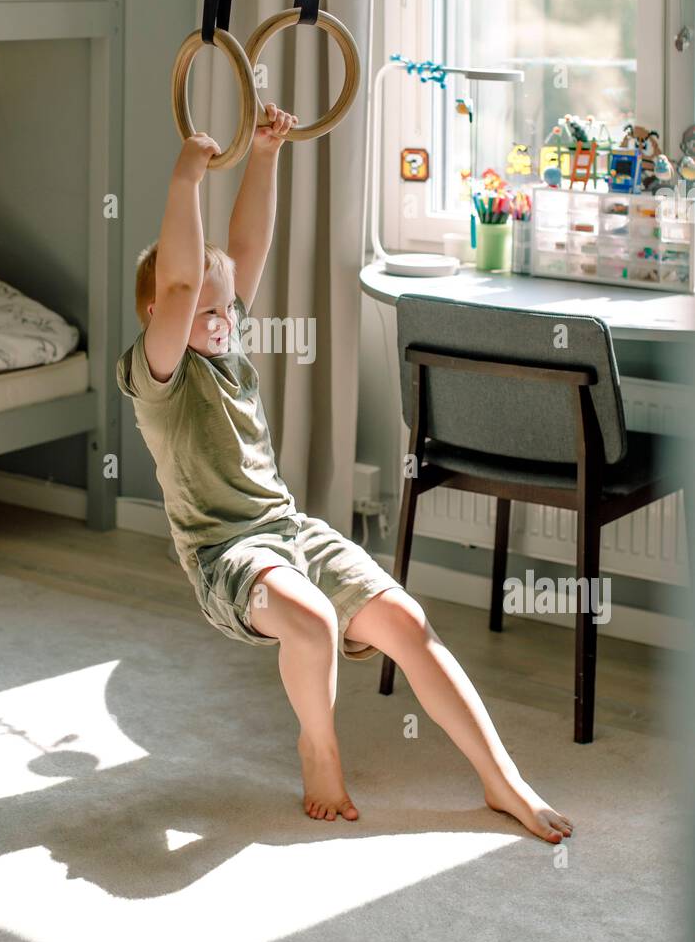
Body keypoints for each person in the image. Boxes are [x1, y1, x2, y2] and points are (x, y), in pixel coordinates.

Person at [116, 104, 573, 842]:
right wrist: (185, 177)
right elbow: (179, 288)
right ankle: (318, 748)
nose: (225, 321)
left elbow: (244, 245)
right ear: (155, 316)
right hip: (226, 553)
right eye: (207, 313)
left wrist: (263, 153)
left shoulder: (222, 340)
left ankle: (502, 780)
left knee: (409, 623)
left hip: (289, 530)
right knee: (315, 622)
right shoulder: (160, 371)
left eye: (228, 308)